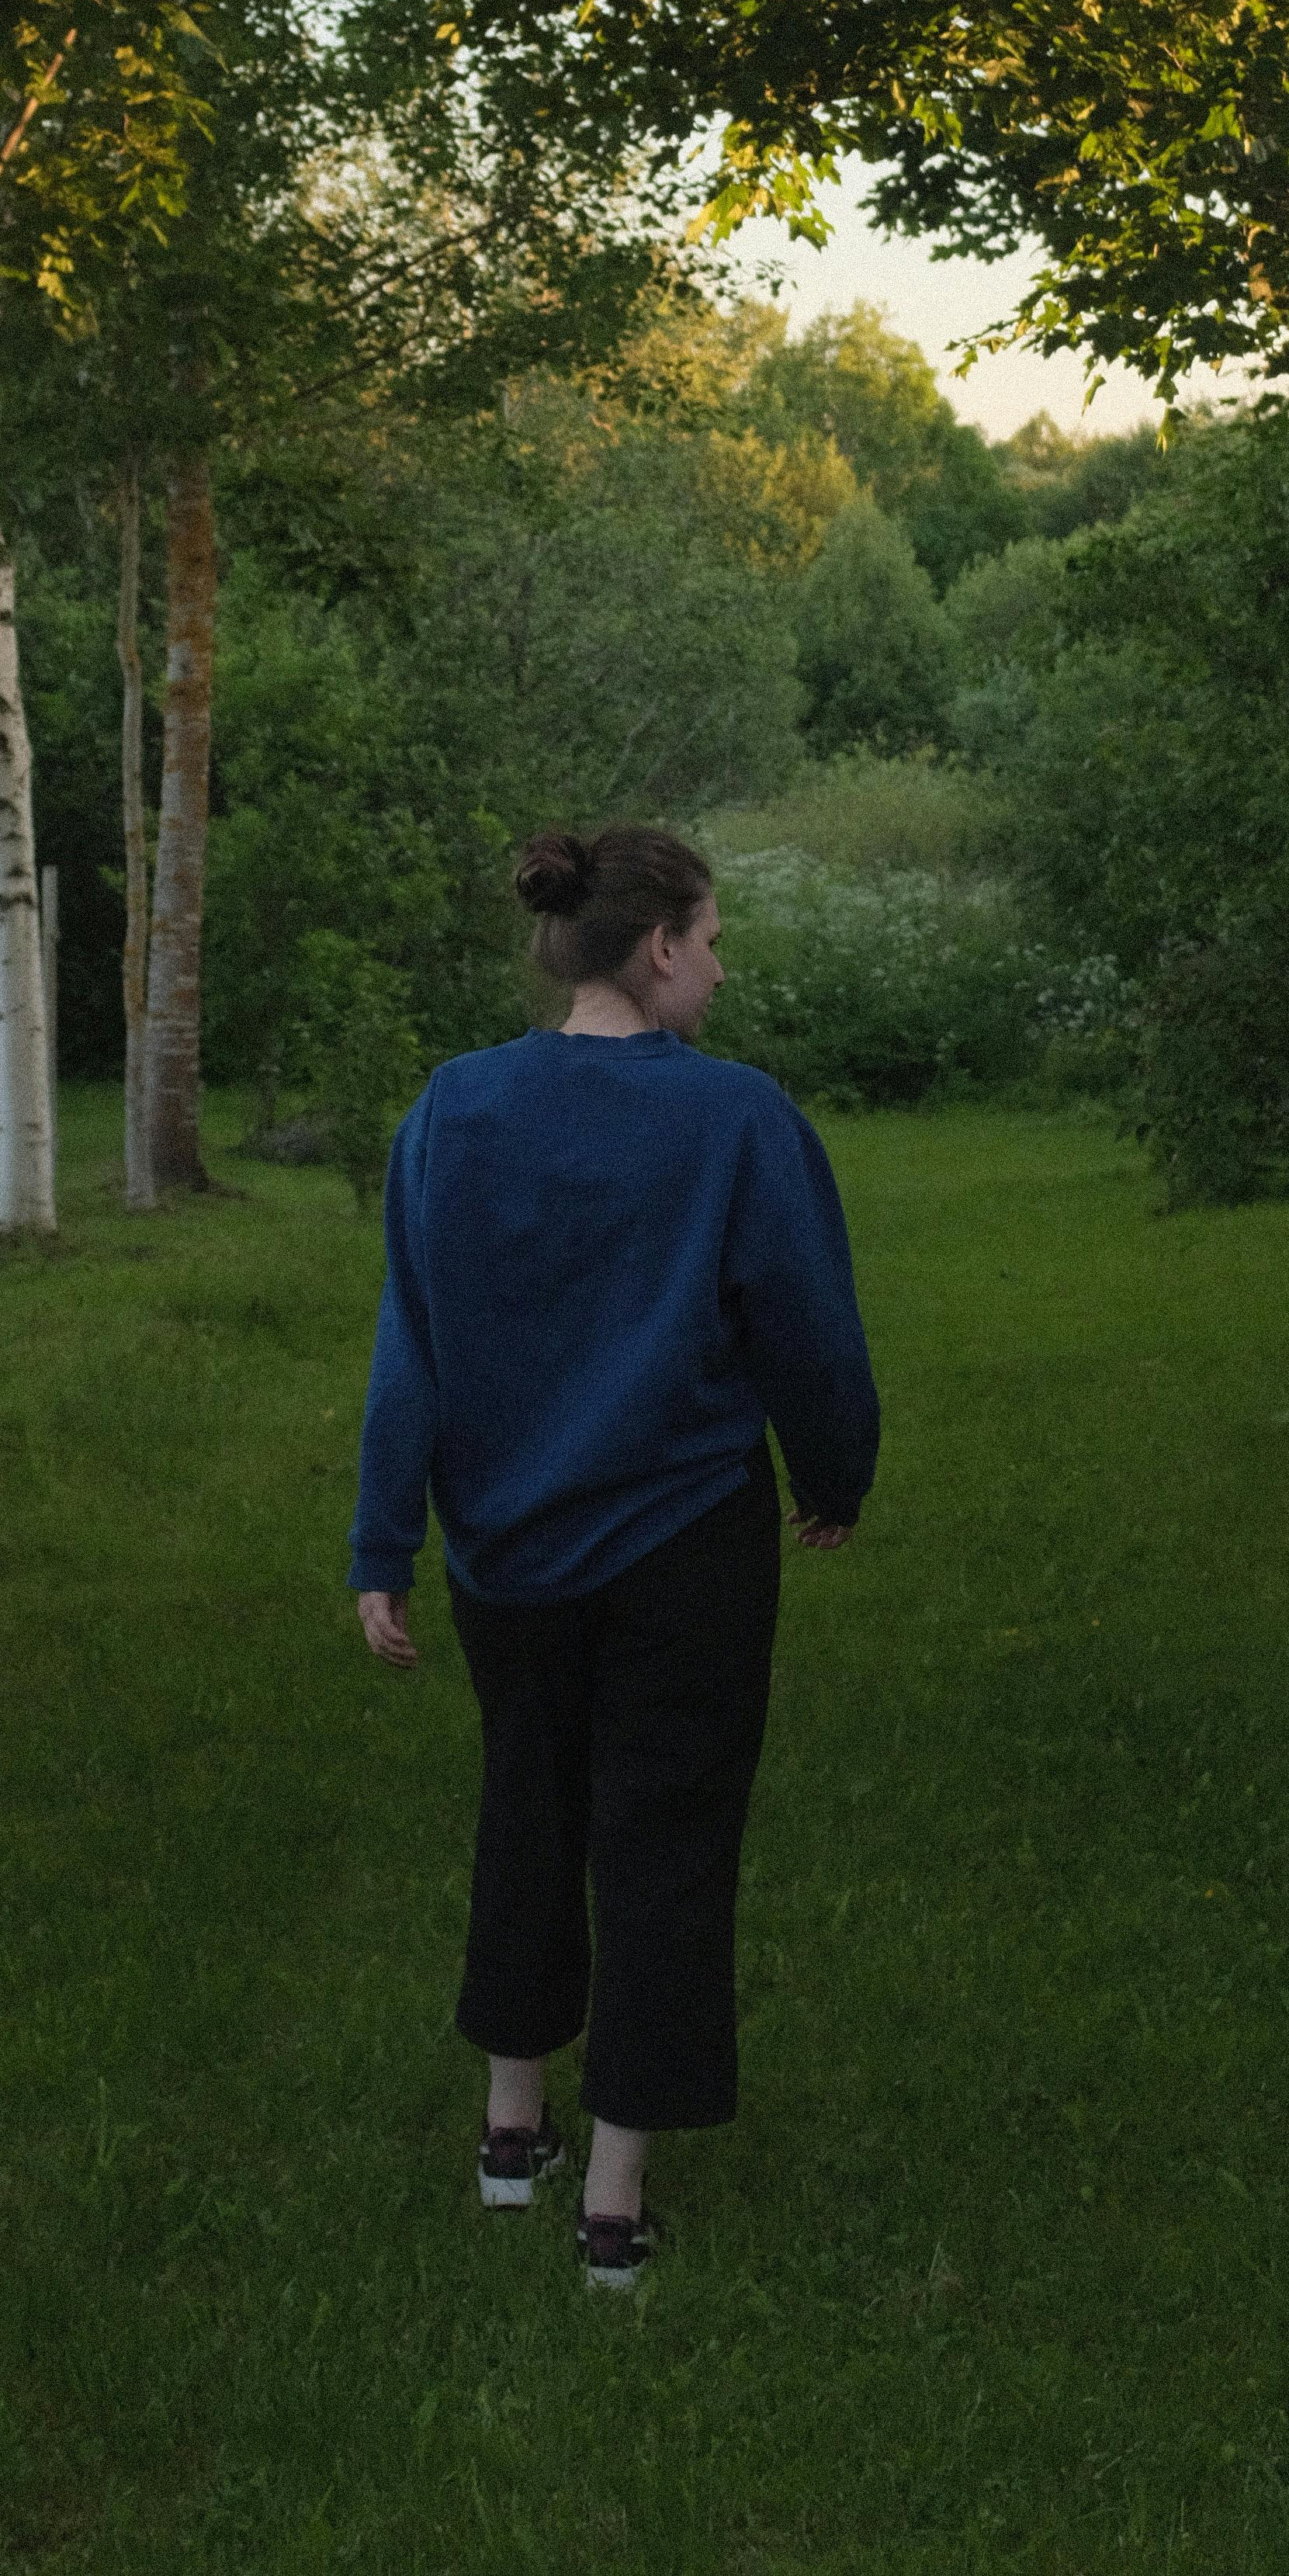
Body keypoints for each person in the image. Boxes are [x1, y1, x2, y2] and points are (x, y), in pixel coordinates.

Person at [348, 822, 881, 2292]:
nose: (717, 969)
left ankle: (510, 2136)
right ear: (657, 949)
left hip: (504, 1555)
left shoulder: (455, 1110)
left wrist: (384, 1540)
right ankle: (615, 2201)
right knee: (664, 1841)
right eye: (711, 942)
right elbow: (812, 1335)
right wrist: (835, 1475)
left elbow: (416, 1343)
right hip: (684, 1549)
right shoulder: (736, 1123)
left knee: (529, 1805)